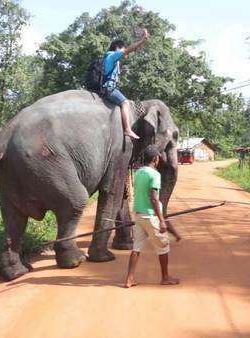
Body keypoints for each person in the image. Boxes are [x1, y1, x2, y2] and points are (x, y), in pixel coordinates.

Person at [124, 145, 179, 288]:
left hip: (138, 215)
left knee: (136, 248)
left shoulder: (138, 172)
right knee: (163, 246)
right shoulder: (154, 174)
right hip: (150, 216)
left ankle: (129, 278)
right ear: (155, 159)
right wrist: (161, 221)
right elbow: (154, 198)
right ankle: (165, 277)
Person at [102, 29, 150, 139]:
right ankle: (128, 129)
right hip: (108, 89)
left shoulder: (109, 58)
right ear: (117, 48)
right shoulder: (112, 56)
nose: (124, 51)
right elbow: (130, 50)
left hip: (106, 88)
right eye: (123, 48)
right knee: (125, 103)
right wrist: (142, 40)